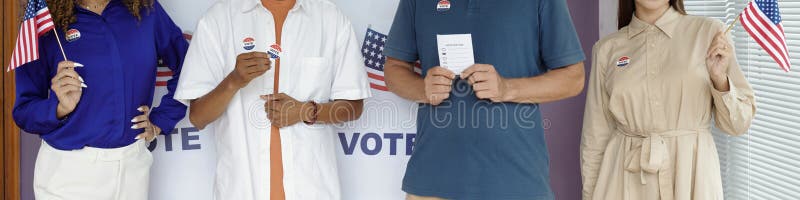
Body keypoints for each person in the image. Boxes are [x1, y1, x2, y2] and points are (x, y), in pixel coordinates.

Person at [383, 0, 586, 199]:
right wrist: (422, 88)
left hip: (517, 182)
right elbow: (394, 70)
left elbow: (573, 77)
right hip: (431, 181)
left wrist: (507, 88)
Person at [174, 0, 371, 199]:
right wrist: (234, 81)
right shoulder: (218, 19)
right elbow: (198, 117)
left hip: (312, 190)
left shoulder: (331, 18)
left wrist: (306, 111)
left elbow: (354, 106)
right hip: (241, 191)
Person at [580, 0, 757, 199]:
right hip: (624, 183)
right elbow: (595, 137)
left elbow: (739, 124)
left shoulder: (709, 33)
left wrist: (720, 79)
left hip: (692, 178)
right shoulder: (606, 49)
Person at [12, 0, 187, 199]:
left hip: (133, 171)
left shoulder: (146, 9)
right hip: (68, 175)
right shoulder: (46, 22)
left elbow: (189, 67)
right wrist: (59, 108)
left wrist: (160, 120)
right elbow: (24, 110)